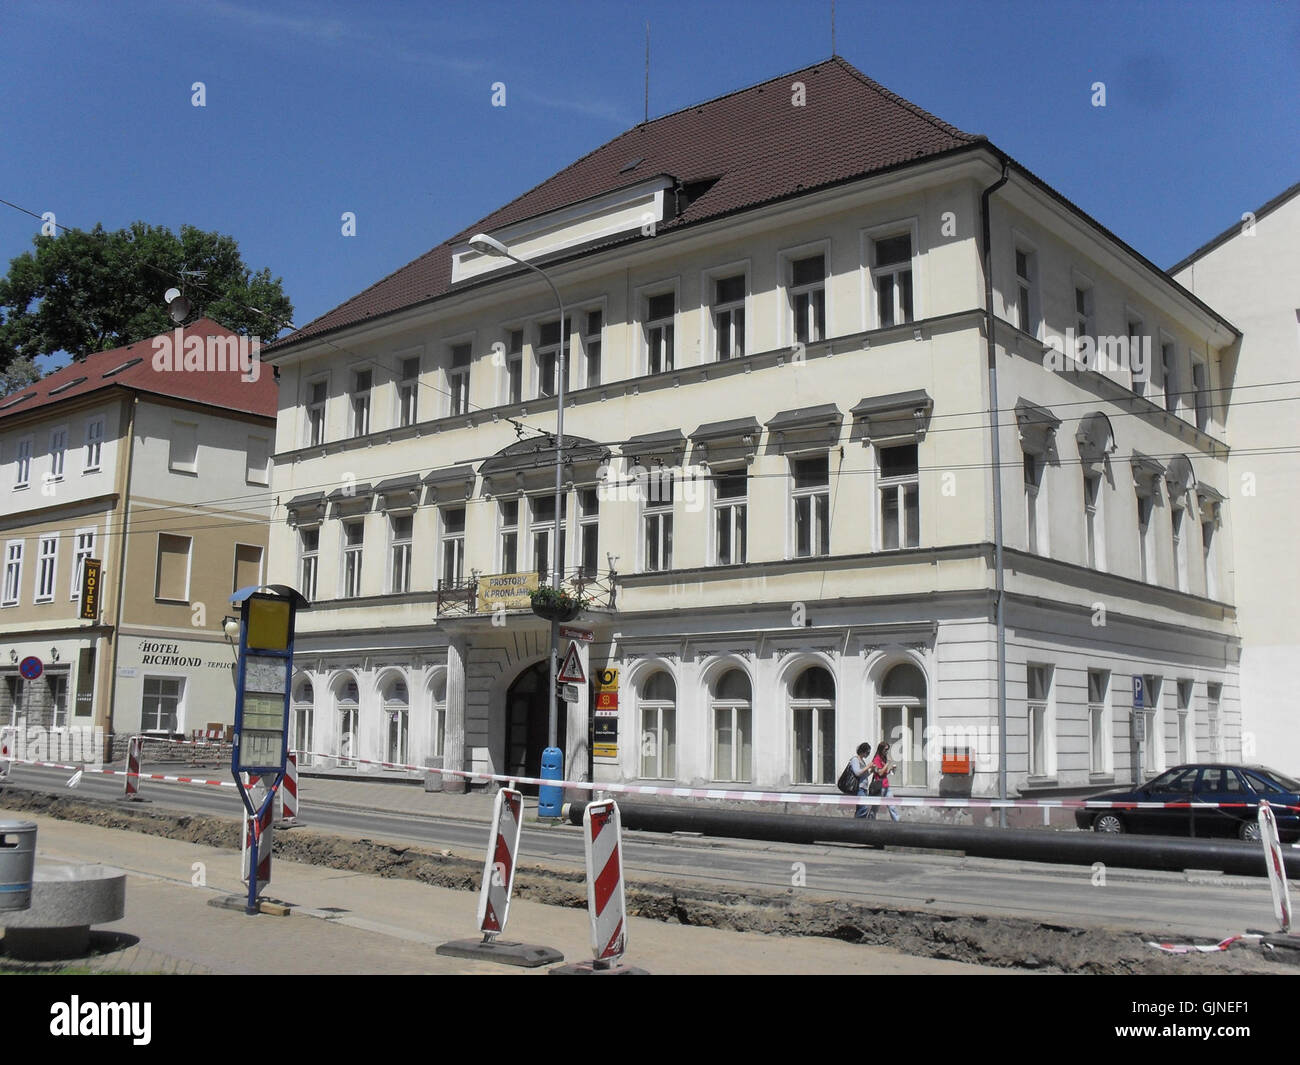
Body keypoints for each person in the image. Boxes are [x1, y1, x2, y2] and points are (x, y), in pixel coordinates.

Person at [865, 741, 901, 822]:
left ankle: (897, 822)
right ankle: (870, 822)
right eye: (885, 750)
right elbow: (880, 772)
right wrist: (887, 764)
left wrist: (891, 770)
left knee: (892, 806)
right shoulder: (876, 759)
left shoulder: (883, 759)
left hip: (886, 785)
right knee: (875, 807)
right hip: (878, 786)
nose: (887, 751)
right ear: (881, 749)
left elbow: (884, 773)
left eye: (888, 749)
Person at [849, 742, 874, 818]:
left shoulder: (862, 761)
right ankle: (857, 824)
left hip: (864, 788)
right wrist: (868, 766)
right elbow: (857, 773)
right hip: (859, 787)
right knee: (864, 807)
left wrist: (871, 770)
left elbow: (864, 775)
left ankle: (858, 825)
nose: (868, 754)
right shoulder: (855, 760)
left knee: (861, 808)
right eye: (867, 752)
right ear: (863, 751)